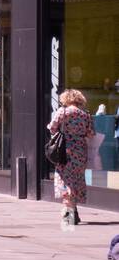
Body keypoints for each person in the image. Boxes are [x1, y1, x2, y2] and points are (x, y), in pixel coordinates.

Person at [49, 89, 94, 226]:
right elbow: (91, 133)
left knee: (65, 180)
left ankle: (68, 216)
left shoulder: (63, 112)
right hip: (80, 150)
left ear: (66, 99)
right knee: (77, 179)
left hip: (65, 150)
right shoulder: (85, 114)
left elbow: (52, 128)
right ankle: (74, 211)